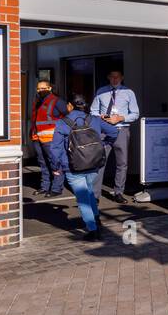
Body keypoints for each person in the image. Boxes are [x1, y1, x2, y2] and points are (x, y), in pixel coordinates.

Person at [49, 93, 119, 241]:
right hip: (93, 164)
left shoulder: (62, 123)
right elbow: (114, 131)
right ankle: (96, 218)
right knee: (89, 193)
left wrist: (56, 167)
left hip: (72, 166)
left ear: (70, 105)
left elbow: (55, 149)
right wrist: (105, 144)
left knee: (82, 199)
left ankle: (93, 230)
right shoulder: (94, 119)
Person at [91, 70, 139, 203]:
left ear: (122, 77)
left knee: (122, 163)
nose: (114, 79)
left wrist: (120, 118)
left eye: (117, 77)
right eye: (112, 76)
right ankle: (95, 195)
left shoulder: (129, 93)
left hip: (121, 130)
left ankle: (118, 192)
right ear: (108, 77)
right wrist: (103, 118)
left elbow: (135, 114)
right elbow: (93, 111)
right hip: (104, 131)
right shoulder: (101, 91)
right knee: (100, 162)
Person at [29, 79, 68, 197]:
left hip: (51, 138)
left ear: (49, 88)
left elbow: (67, 116)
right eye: (39, 89)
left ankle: (56, 188)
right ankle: (44, 187)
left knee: (55, 163)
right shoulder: (37, 101)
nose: (41, 90)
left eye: (43, 88)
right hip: (37, 137)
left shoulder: (57, 101)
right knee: (43, 163)